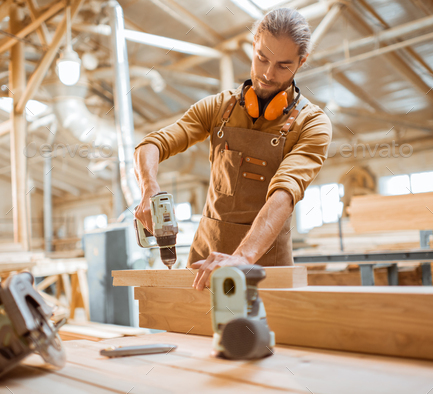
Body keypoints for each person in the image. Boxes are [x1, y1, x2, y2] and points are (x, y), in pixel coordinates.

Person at [134, 8, 332, 290]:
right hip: (204, 265)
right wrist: (148, 188)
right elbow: (152, 144)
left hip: (264, 269)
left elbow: (285, 192)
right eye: (262, 58)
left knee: (267, 334)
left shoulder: (312, 124)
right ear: (253, 45)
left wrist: (243, 257)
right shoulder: (218, 108)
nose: (267, 73)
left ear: (302, 62)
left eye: (282, 65)